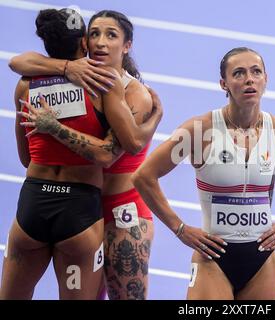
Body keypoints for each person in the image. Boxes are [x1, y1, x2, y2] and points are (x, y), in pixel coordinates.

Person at [132, 47, 275, 299]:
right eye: (238, 73)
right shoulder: (199, 131)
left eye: (256, 72)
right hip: (213, 258)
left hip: (262, 260)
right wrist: (180, 228)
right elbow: (143, 176)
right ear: (223, 84)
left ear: (265, 79)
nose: (249, 79)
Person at [9, 10, 163, 300]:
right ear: (84, 41)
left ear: (126, 45)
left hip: (120, 211)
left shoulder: (133, 93)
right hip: (82, 204)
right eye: (95, 34)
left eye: (111, 35)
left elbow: (122, 147)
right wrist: (67, 68)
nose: (101, 43)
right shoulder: (78, 77)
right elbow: (17, 62)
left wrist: (154, 119)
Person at [0, 8, 110, 299]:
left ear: (46, 44)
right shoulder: (100, 86)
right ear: (84, 42)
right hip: (80, 209)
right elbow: (119, 149)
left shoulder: (25, 85)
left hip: (34, 204)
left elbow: (26, 158)